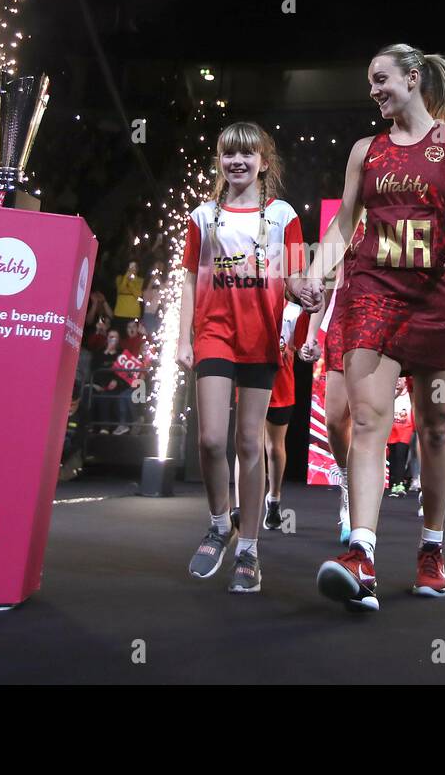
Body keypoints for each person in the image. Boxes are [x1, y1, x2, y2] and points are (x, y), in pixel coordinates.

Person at [303, 43, 445, 611]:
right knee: (368, 421)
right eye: (370, 82)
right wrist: (315, 270)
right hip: (373, 295)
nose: (374, 90)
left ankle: (431, 551)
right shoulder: (367, 150)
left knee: (436, 429)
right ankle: (361, 555)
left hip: (437, 302)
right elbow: (343, 221)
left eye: (381, 79)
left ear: (413, 79)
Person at [177, 121, 318, 594]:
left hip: (260, 339)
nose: (237, 162)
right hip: (215, 334)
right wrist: (184, 339)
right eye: (228, 154)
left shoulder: (281, 215)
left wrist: (307, 291)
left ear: (263, 162)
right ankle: (220, 523)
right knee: (212, 439)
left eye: (246, 154)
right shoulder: (202, 217)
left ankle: (250, 549)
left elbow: (295, 276)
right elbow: (188, 279)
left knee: (248, 444)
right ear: (219, 161)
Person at [300, 213, 367, 544]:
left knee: (368, 421)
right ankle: (346, 480)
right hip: (344, 321)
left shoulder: (400, 215)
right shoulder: (348, 218)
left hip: (383, 323)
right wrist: (313, 333)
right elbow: (326, 282)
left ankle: (361, 519)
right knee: (334, 421)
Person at [263, 300, 310, 531]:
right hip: (252, 381)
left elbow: (300, 347)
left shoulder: (293, 311)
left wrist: (308, 348)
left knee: (274, 447)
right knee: (248, 444)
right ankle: (242, 507)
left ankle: (274, 499)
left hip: (280, 386)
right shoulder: (251, 301)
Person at [386, 377, 415, 497]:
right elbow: (386, 403)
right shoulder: (390, 392)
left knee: (401, 455)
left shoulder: (410, 393)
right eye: (396, 378)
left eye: (401, 378)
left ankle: (400, 483)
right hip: (391, 429)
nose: (398, 380)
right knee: (392, 456)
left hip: (405, 429)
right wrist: (397, 392)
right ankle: (393, 483)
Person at [113, 261, 144, 330]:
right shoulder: (120, 278)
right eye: (130, 267)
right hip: (120, 313)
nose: (132, 269)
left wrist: (130, 282)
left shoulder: (140, 280)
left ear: (137, 269)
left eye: (134, 267)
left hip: (134, 313)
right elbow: (120, 290)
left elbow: (138, 294)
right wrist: (126, 278)